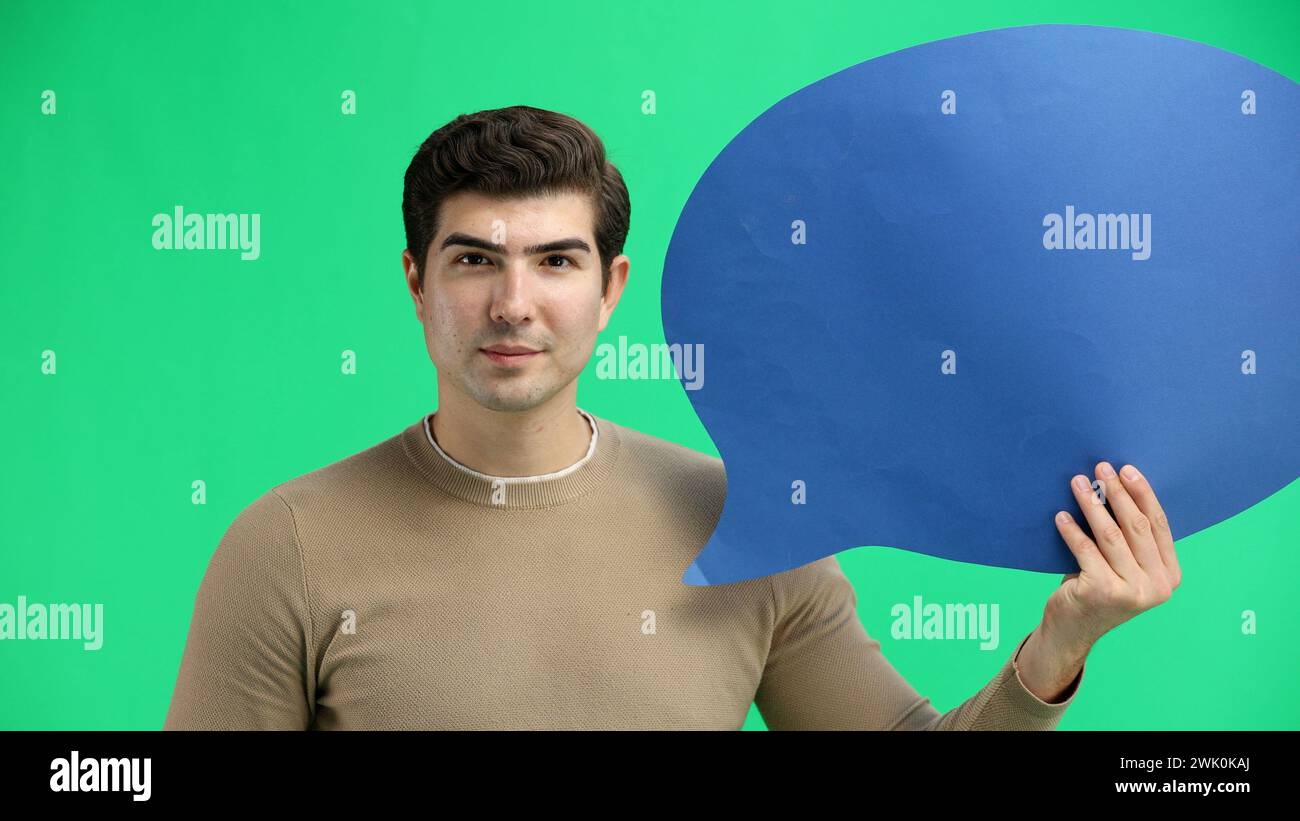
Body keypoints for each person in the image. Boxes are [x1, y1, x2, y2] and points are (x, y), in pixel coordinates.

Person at [163, 105, 1180, 730]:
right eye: (474, 258)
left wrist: (1056, 650)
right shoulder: (287, 543)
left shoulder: (747, 529)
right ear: (416, 281)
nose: (512, 304)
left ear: (609, 289)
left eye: (553, 261)